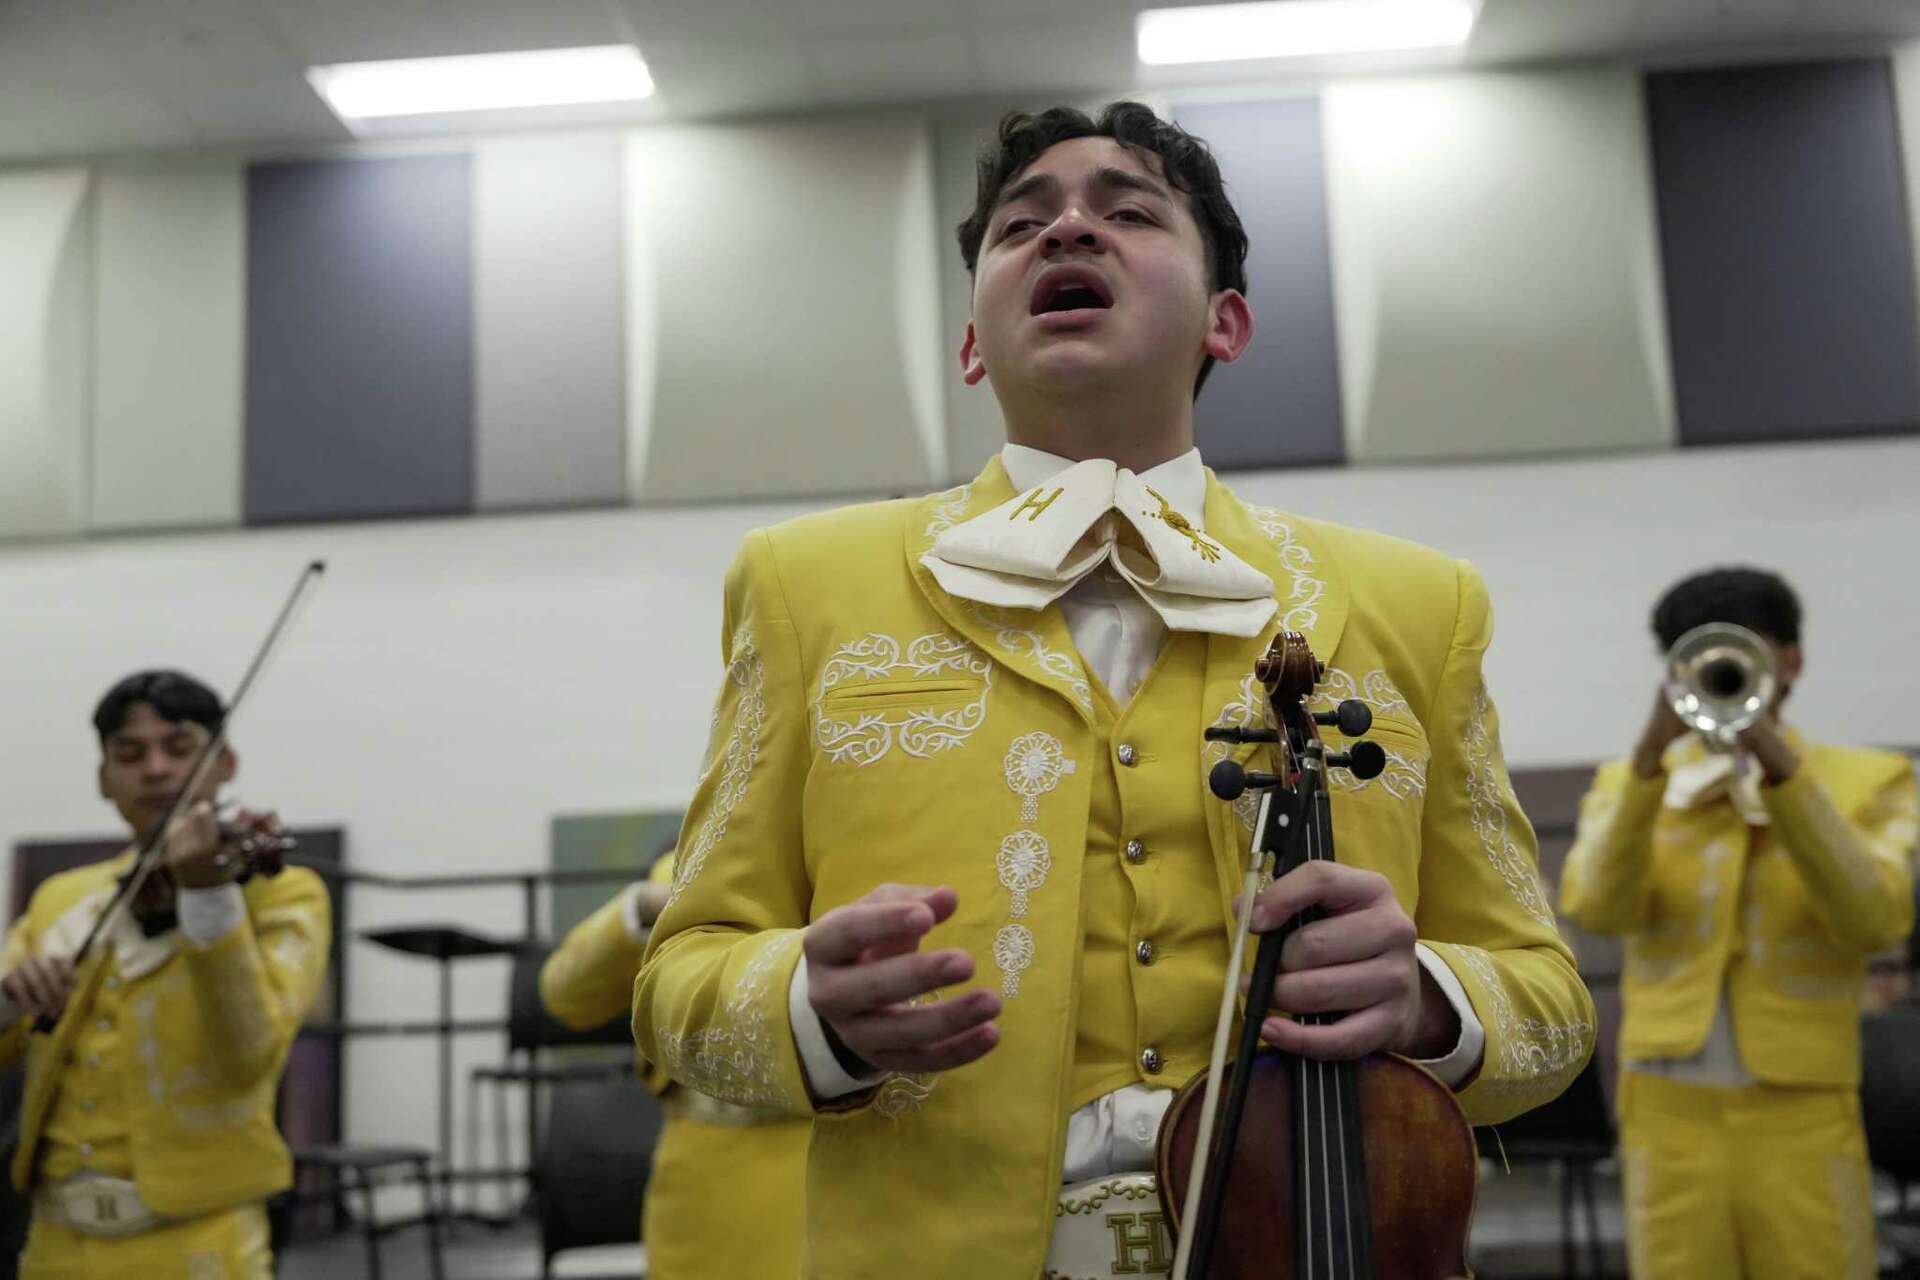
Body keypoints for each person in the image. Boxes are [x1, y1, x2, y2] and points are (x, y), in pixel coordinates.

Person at [634, 102, 1594, 1277]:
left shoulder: (1420, 603)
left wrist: (1428, 1000)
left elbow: (1551, 1007)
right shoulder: (803, 584)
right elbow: (678, 987)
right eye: (1020, 224)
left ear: (1225, 320)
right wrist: (808, 1009)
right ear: (973, 343)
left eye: (1129, 213)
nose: (1068, 229)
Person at [1561, 567, 1917, 1280]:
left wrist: (1782, 769)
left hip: (1803, 1101)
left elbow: (1874, 920)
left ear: (1791, 660)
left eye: (1741, 649)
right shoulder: (1630, 782)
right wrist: (1647, 764)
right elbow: (1597, 907)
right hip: (1665, 1103)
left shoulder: (1874, 779)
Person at [0, 671, 331, 1279]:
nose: (155, 770)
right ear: (104, 778)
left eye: (179, 749)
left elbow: (251, 1051)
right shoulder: (60, 900)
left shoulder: (282, 896)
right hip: (54, 1244)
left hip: (200, 1244)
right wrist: (10, 1001)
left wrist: (208, 896)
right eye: (130, 755)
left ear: (225, 763)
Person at [539, 852, 805, 1279]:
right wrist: (642, 907)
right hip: (705, 1190)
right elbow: (566, 996)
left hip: (844, 1170)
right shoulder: (692, 861)